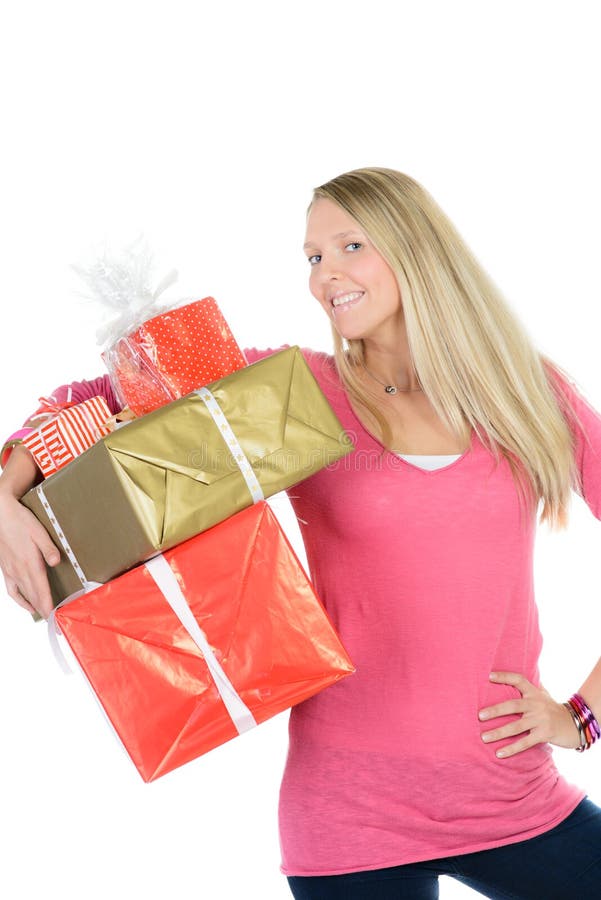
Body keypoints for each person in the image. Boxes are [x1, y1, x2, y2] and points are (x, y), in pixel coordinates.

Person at [1, 166, 600, 899]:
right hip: (349, 815)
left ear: (417, 247)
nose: (325, 275)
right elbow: (95, 394)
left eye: (350, 246)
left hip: (518, 800)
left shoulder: (525, 391)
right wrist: (4, 493)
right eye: (314, 257)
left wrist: (582, 717)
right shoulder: (293, 390)